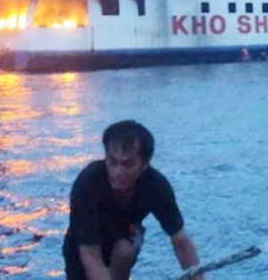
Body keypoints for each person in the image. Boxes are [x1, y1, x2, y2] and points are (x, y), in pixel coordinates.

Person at [63, 120, 203, 280]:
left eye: (128, 164)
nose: (118, 171)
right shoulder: (87, 183)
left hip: (125, 235)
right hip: (83, 244)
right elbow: (90, 254)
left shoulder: (156, 186)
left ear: (144, 164)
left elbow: (181, 242)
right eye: (112, 161)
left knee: (125, 252)